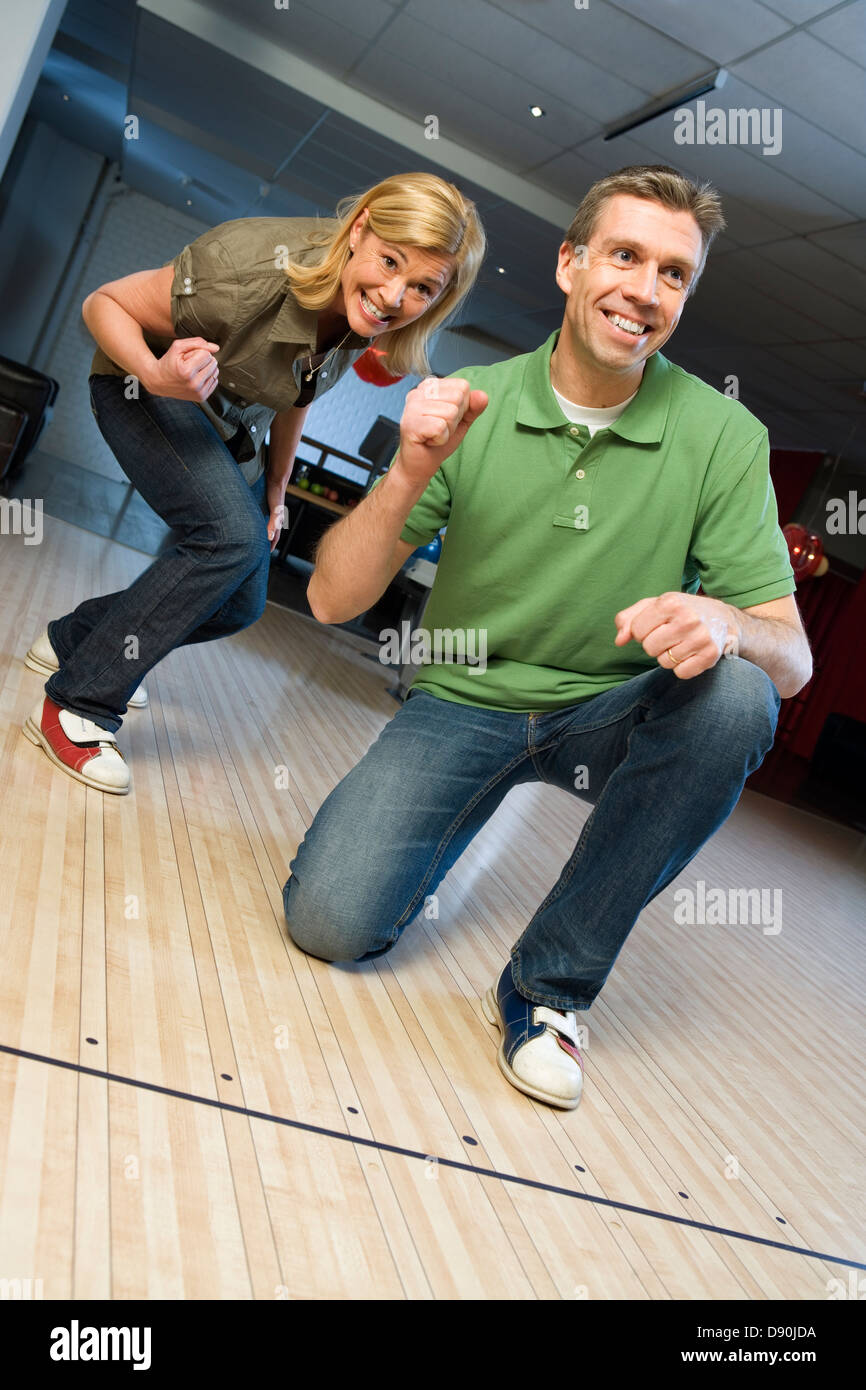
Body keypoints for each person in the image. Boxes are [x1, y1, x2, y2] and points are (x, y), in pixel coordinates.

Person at [282, 164, 812, 1111]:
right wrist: (407, 471)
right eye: (624, 256)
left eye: (675, 273)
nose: (645, 291)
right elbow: (328, 599)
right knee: (328, 923)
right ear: (570, 264)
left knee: (740, 691)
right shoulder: (474, 400)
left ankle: (547, 991)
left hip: (612, 711)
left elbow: (795, 658)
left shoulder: (723, 435)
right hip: (464, 697)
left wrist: (728, 621)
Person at [21, 173, 485, 794]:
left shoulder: (358, 315)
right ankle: (76, 705)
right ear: (363, 227)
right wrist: (155, 375)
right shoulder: (245, 271)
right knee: (227, 541)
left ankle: (75, 639)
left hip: (226, 421)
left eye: (423, 287)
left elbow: (297, 396)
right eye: (390, 261)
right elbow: (104, 303)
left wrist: (275, 494)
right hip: (142, 387)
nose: (394, 295)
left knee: (242, 599)